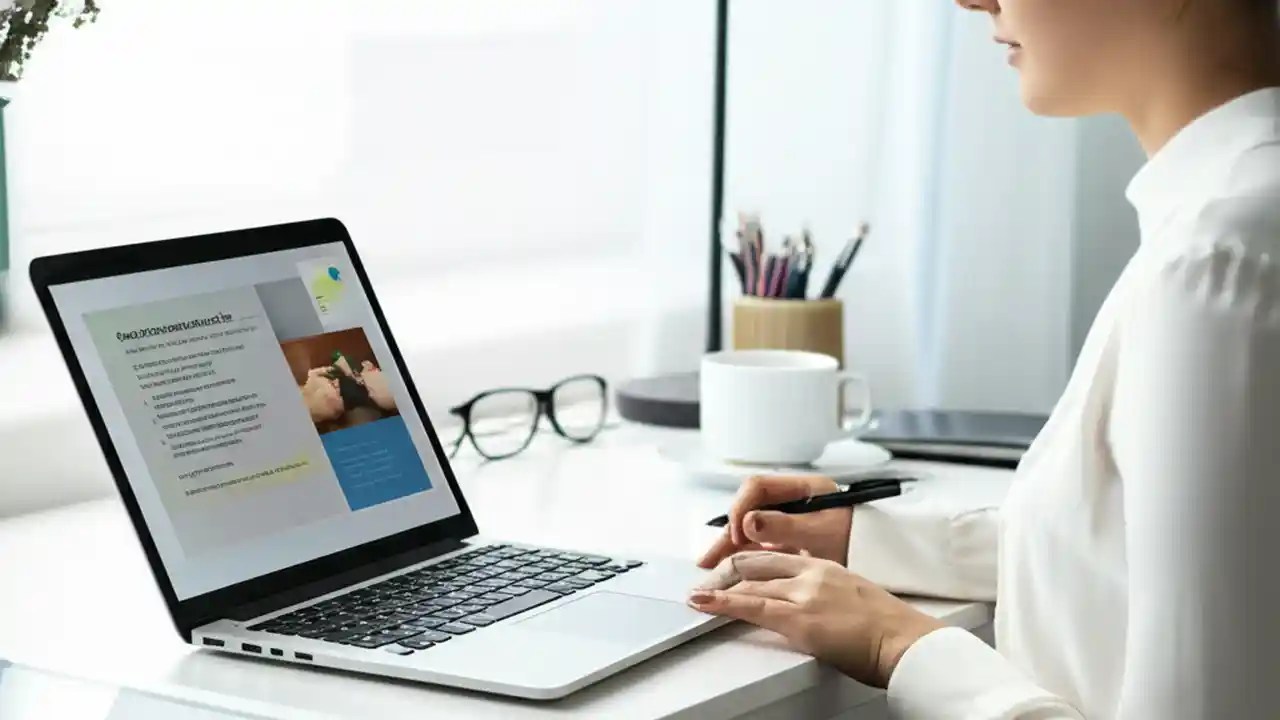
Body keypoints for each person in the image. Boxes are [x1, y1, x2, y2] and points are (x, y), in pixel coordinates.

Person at [690, 1, 1280, 717]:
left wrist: (899, 645)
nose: (972, 0)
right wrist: (866, 538)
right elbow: (1123, 552)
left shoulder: (1215, 261)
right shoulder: (1233, 217)